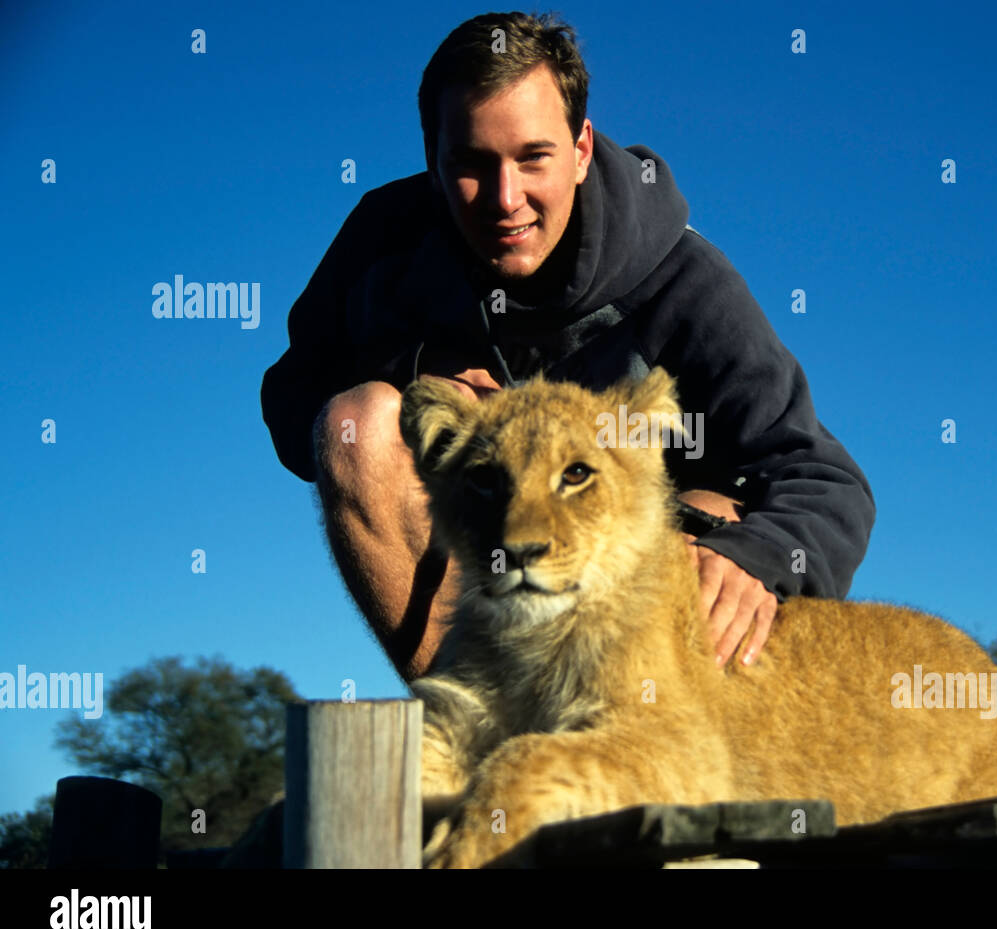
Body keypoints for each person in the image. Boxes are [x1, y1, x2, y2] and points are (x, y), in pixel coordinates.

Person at [259, 11, 875, 682]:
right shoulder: (383, 240)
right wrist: (413, 374)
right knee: (356, 424)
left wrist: (758, 555)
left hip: (635, 561)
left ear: (580, 149)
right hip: (486, 552)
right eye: (470, 164)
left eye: (533, 158)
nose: (504, 198)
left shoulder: (685, 281)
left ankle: (650, 748)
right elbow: (293, 398)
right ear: (432, 163)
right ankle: (469, 720)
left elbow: (824, 477)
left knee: (724, 531)